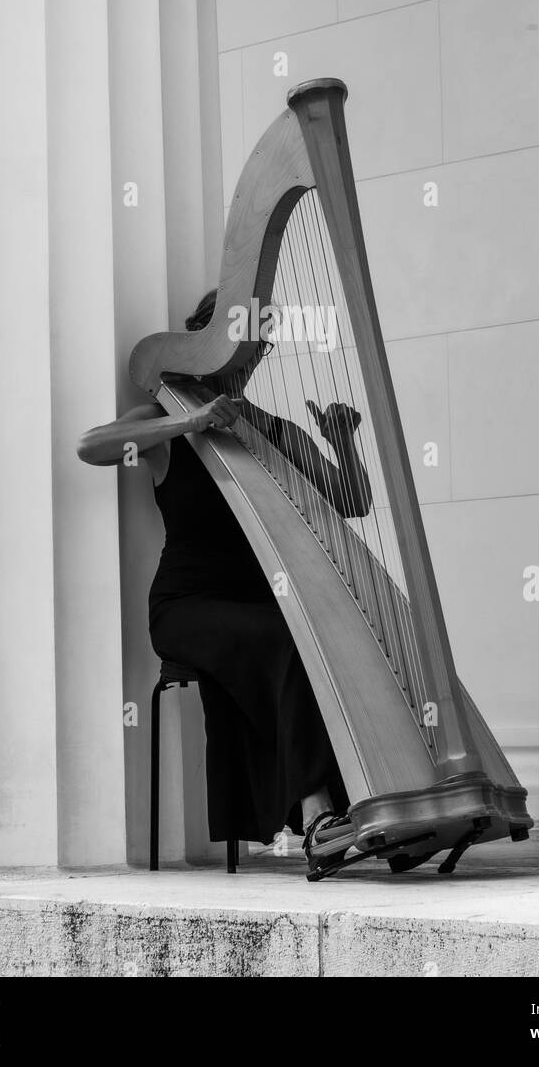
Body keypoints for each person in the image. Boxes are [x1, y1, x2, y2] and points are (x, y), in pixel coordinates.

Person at [77, 289, 372, 871]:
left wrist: (343, 439)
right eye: (238, 344)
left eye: (257, 347)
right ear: (205, 347)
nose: (250, 357)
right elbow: (92, 447)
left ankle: (369, 806)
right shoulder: (165, 424)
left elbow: (351, 500)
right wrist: (191, 421)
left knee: (317, 639)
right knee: (288, 641)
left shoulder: (274, 429)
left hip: (259, 605)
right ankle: (318, 820)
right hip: (186, 608)